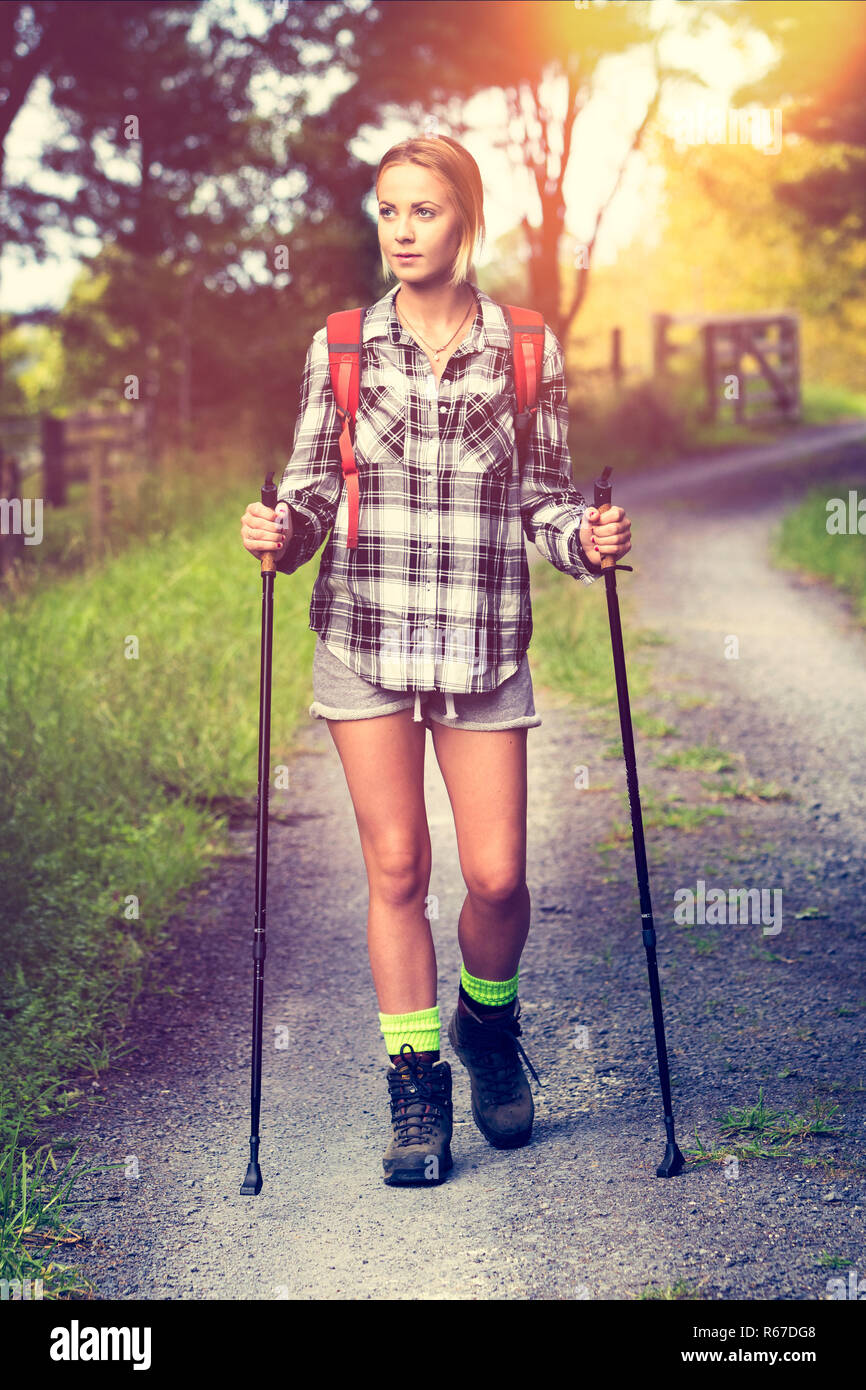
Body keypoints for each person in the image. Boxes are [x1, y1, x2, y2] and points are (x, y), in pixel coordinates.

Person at [240, 134, 632, 1187]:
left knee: (499, 877)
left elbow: (543, 498)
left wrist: (582, 540)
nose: (402, 230)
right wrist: (281, 532)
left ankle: (485, 1024)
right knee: (399, 869)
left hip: (479, 637)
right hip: (365, 637)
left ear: (465, 220)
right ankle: (415, 1087)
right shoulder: (341, 346)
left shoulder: (526, 348)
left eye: (423, 211)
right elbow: (312, 491)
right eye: (387, 211)